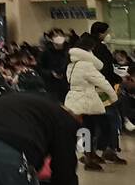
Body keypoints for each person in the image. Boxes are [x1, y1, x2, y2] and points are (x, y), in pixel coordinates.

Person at [65, 33, 119, 171]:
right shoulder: (86, 65)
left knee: (86, 128)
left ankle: (89, 154)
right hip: (87, 99)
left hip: (74, 99)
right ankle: (91, 155)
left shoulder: (72, 64)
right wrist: (113, 96)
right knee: (103, 125)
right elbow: (102, 82)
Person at [88, 22, 125, 163]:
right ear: (100, 33)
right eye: (106, 32)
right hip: (101, 89)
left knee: (94, 122)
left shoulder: (86, 48)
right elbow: (106, 70)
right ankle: (108, 149)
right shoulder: (100, 49)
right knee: (111, 118)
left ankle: (91, 152)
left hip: (88, 91)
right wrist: (117, 79)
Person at [36, 29, 70, 103]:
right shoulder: (45, 53)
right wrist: (51, 73)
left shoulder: (69, 51)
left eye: (61, 35)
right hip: (51, 85)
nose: (59, 37)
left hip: (66, 83)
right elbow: (39, 68)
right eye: (56, 36)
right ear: (51, 39)